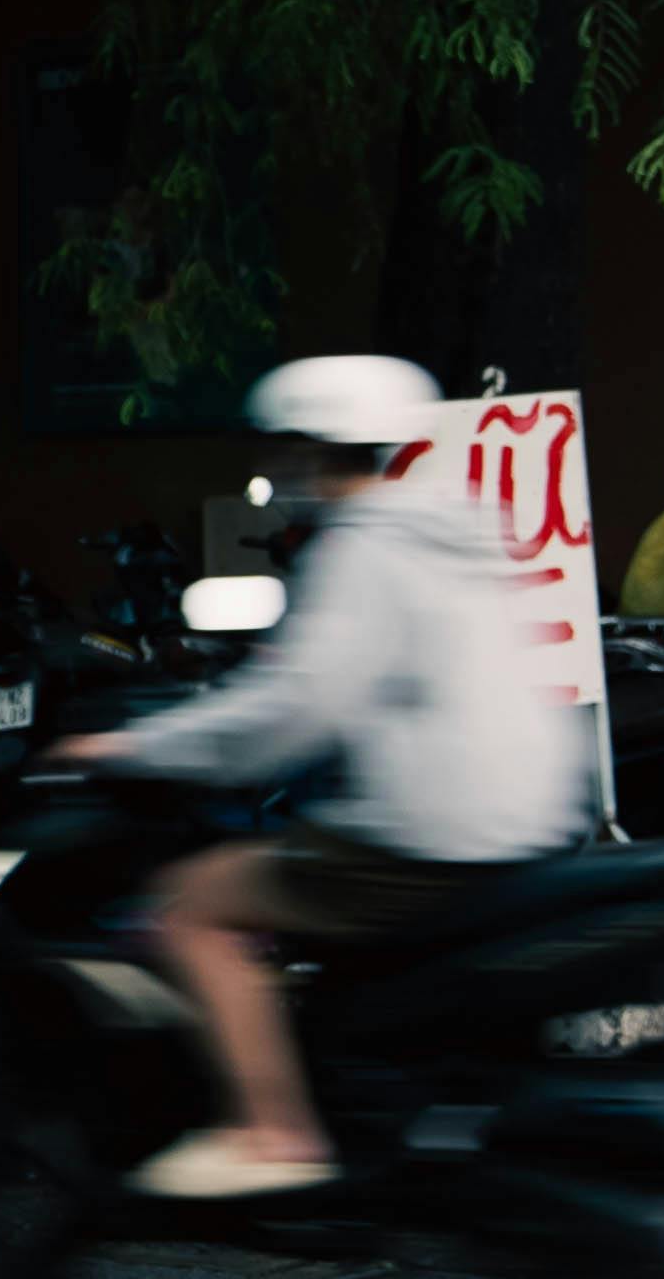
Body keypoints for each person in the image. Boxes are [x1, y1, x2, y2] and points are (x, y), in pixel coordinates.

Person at [57, 349, 587, 1199]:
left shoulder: (363, 549)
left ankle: (274, 1131)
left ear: (309, 450)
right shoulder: (457, 528)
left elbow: (295, 710)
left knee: (192, 903)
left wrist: (136, 748)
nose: (275, 469)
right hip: (533, 816)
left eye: (282, 451)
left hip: (427, 830)